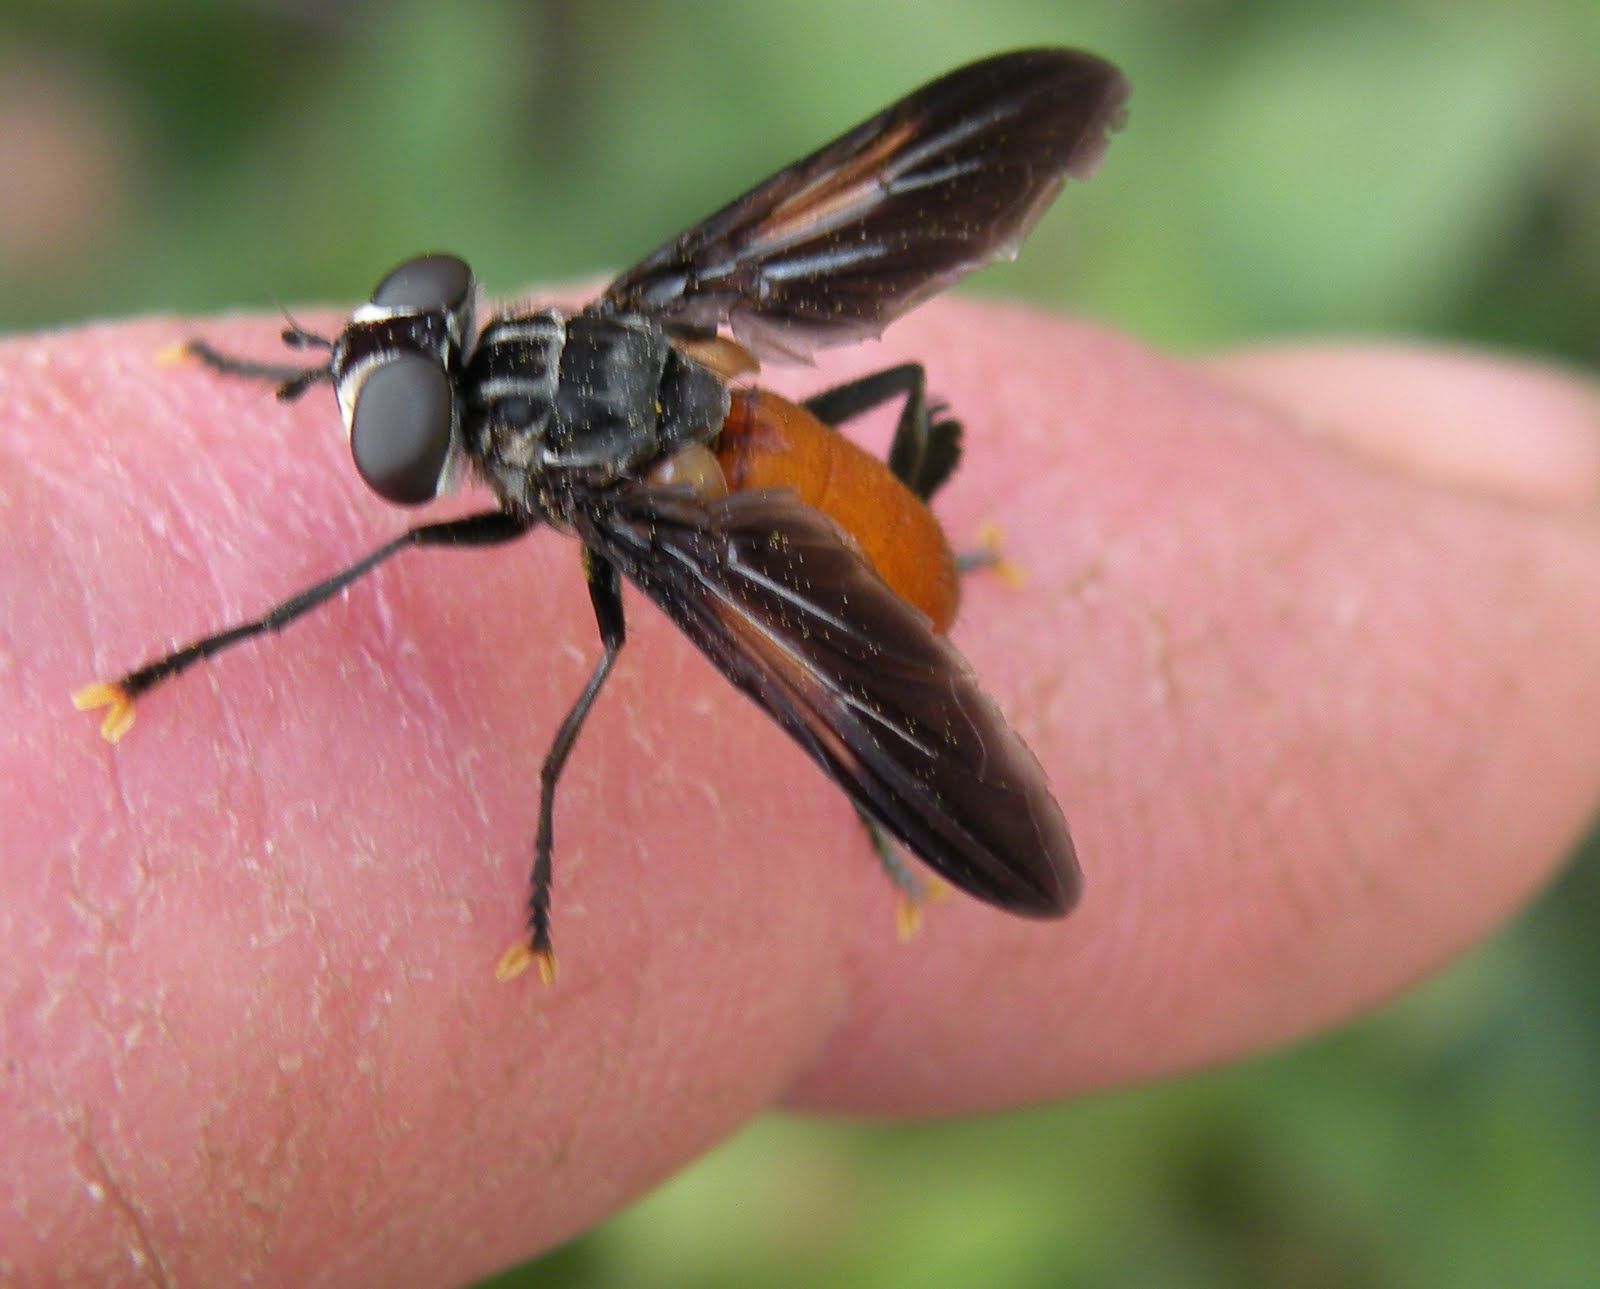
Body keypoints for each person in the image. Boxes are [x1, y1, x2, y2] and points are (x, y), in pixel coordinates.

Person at [7, 296, 1599, 1286]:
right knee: (832, 456)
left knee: (771, 677)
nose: (386, 344)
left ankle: (907, 672)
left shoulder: (602, 508)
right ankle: (934, 559)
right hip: (775, 437)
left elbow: (643, 647)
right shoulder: (646, 309)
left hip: (765, 512)